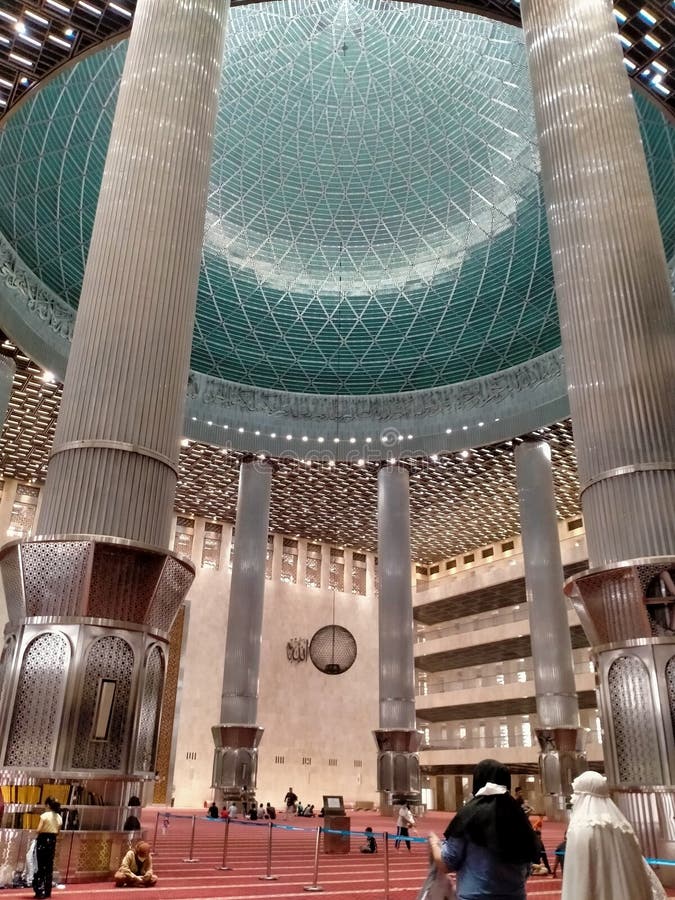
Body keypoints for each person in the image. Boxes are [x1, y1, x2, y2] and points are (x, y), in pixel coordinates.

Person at [429, 758, 539, 900]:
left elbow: (447, 862)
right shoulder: (519, 816)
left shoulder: (469, 814)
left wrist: (434, 843)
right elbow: (527, 866)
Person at [561, 771, 666, 900]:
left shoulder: (580, 829)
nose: (573, 798)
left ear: (584, 795)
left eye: (576, 793)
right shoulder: (622, 826)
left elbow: (579, 880)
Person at [33, 796, 62, 899]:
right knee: (49, 867)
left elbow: (38, 829)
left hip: (43, 840)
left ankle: (39, 891)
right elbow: (58, 832)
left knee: (40, 866)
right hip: (52, 841)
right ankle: (48, 891)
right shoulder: (59, 817)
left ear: (48, 805)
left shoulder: (44, 815)